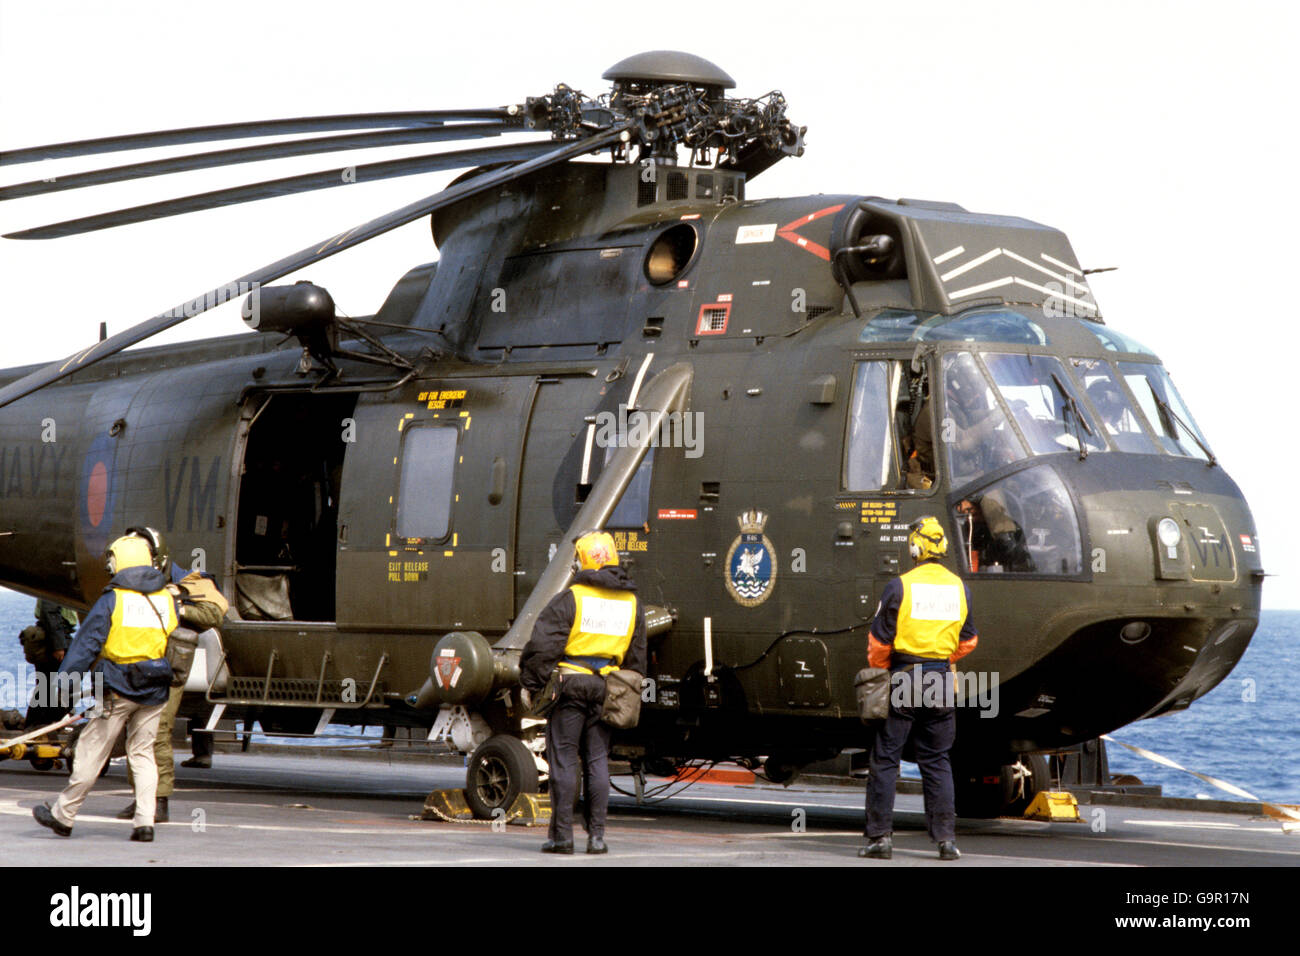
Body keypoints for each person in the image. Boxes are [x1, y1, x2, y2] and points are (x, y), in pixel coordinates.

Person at [33, 534, 177, 842]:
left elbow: (86, 645)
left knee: (91, 751)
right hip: (155, 688)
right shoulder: (166, 598)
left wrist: (63, 684)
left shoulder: (113, 600)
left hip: (117, 686)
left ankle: (63, 815)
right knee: (142, 753)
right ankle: (144, 822)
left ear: (119, 562)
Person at [518, 531, 647, 855]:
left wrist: (531, 685)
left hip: (570, 686)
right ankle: (597, 838)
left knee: (563, 761)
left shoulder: (571, 598)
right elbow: (637, 659)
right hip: (607, 688)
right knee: (597, 760)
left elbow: (543, 648)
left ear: (582, 561)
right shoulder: (633, 603)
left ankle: (562, 837)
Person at [862, 516, 978, 861]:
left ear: (915, 546)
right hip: (941, 678)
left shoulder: (900, 585)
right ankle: (946, 841)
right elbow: (969, 640)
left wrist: (885, 671)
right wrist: (941, 658)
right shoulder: (960, 587)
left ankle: (880, 839)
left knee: (885, 759)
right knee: (938, 760)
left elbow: (878, 643)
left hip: (904, 676)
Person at [112, 527, 228, 823]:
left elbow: (215, 613)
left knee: (158, 732)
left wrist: (178, 605)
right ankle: (142, 798)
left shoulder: (185, 580)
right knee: (134, 733)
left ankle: (159, 801)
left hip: (167, 669)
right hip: (135, 665)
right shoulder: (128, 581)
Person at [20, 600, 79, 731]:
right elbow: (49, 610)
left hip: (55, 633)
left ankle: (36, 725)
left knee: (46, 686)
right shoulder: (58, 584)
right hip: (55, 634)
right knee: (61, 685)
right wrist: (58, 645)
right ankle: (49, 724)